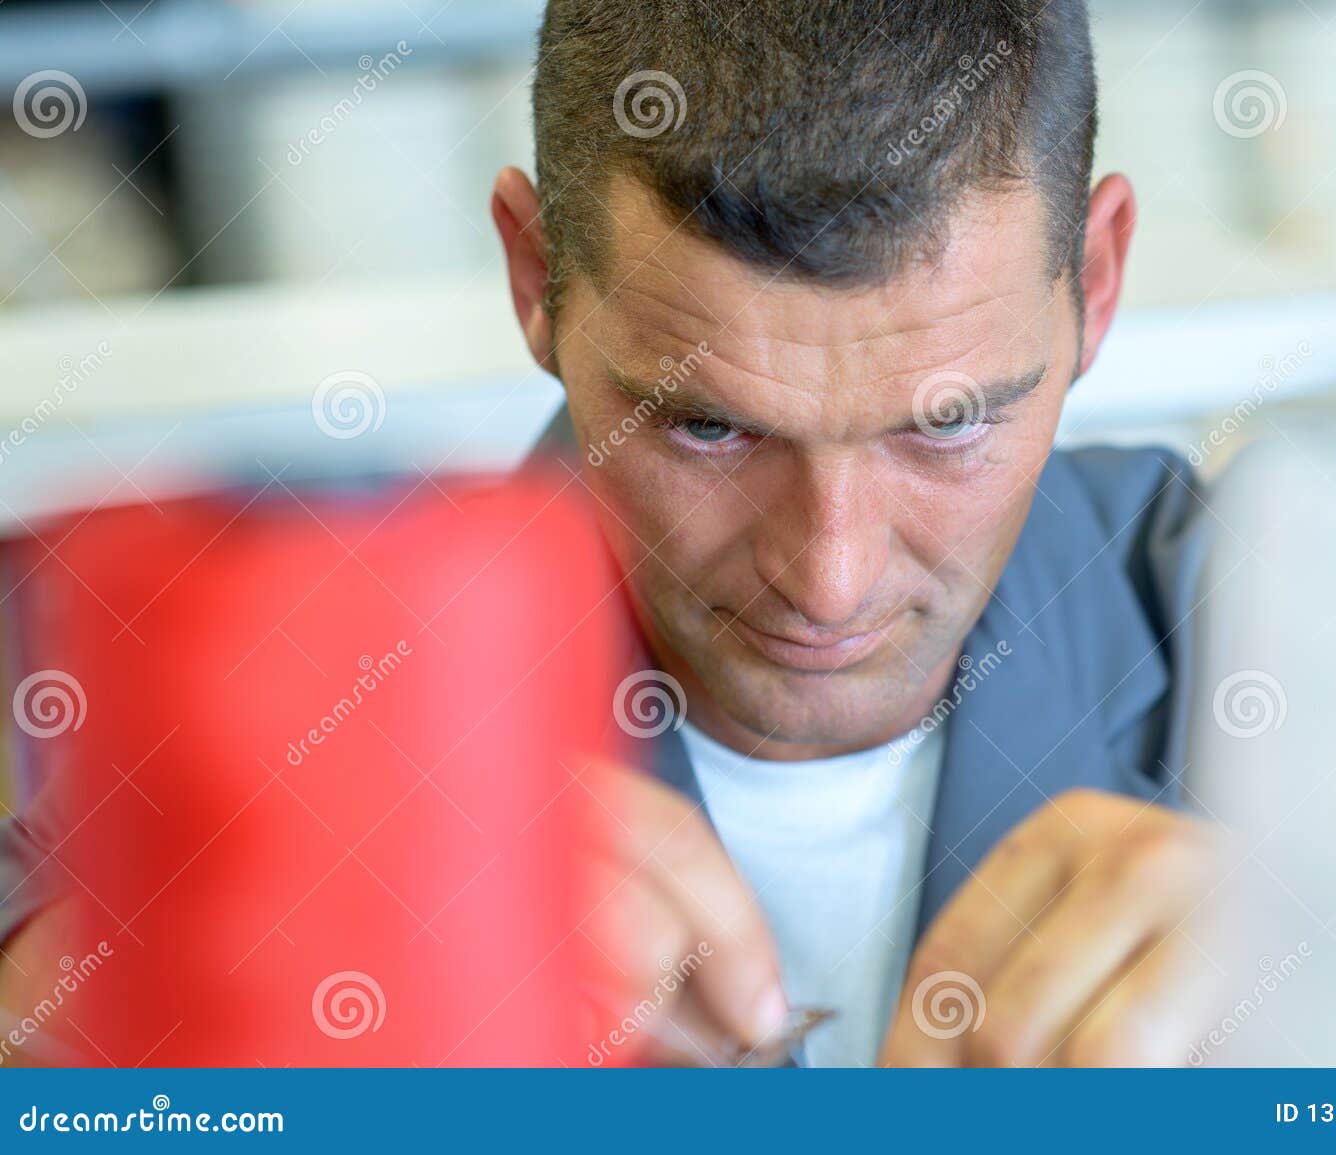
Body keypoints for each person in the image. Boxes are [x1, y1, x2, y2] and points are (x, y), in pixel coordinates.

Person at [2, 0, 1236, 1067]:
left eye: (948, 426)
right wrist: (236, 976)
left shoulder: (1288, 627)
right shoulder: (237, 692)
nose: (829, 573)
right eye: (707, 429)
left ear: (1098, 278)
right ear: (537, 279)